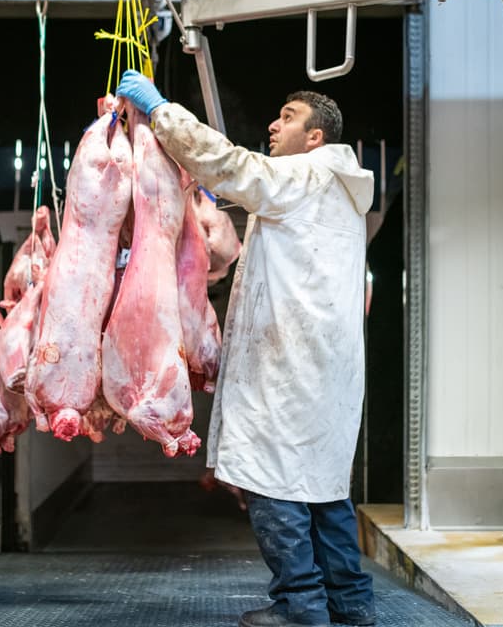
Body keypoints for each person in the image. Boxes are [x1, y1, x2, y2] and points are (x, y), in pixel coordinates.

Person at [116, 70, 377, 627]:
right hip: (318, 366)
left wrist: (161, 111)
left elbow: (235, 166)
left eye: (288, 117)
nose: (273, 124)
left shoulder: (307, 173)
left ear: (316, 138)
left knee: (272, 484)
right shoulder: (332, 187)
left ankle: (300, 606)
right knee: (322, 488)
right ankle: (349, 603)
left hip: (291, 367)